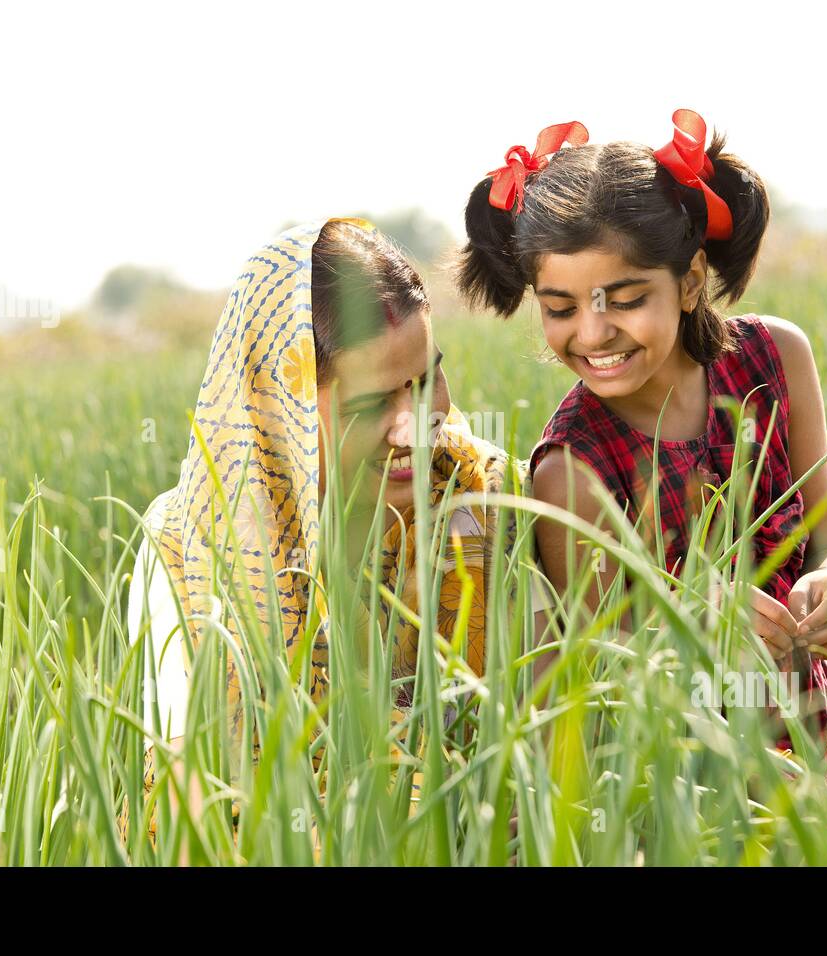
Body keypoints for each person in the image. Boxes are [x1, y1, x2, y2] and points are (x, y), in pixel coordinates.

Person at [454, 111, 827, 862]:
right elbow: (604, 679)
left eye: (625, 298)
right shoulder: (572, 467)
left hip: (819, 742)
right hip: (687, 789)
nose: (592, 335)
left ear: (690, 280)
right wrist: (692, 619)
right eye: (560, 308)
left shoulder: (776, 360)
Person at [121, 217, 534, 849]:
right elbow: (187, 792)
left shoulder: (489, 498)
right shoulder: (186, 548)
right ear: (275, 406)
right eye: (372, 406)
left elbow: (553, 730)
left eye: (426, 383)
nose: (416, 428)